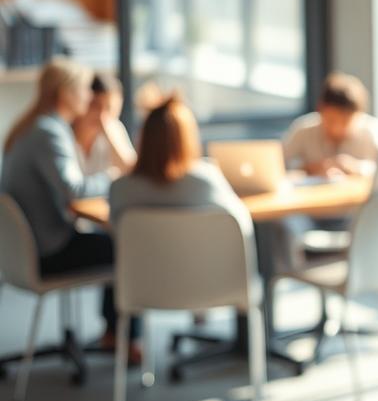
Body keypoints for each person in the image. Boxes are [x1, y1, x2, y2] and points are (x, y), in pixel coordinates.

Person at [0, 58, 139, 358]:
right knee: (129, 247)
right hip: (50, 249)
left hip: (24, 250)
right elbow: (74, 190)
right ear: (66, 93)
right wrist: (115, 179)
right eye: (83, 91)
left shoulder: (31, 126)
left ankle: (114, 334)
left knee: (112, 242)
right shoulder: (48, 131)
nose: (89, 98)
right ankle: (124, 338)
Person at [109, 94, 248, 236]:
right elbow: (242, 226)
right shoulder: (206, 181)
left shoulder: (120, 190)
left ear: (144, 139)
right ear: (187, 140)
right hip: (202, 258)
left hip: (142, 258)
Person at [281, 72, 378, 179]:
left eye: (346, 122)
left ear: (359, 115)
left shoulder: (374, 131)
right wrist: (308, 168)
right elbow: (279, 164)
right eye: (331, 120)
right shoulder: (304, 128)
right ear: (320, 110)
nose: (337, 128)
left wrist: (356, 167)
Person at [71, 72, 136, 180]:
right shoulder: (64, 132)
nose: (101, 115)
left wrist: (111, 136)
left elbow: (132, 172)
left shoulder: (115, 129)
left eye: (109, 108)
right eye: (95, 106)